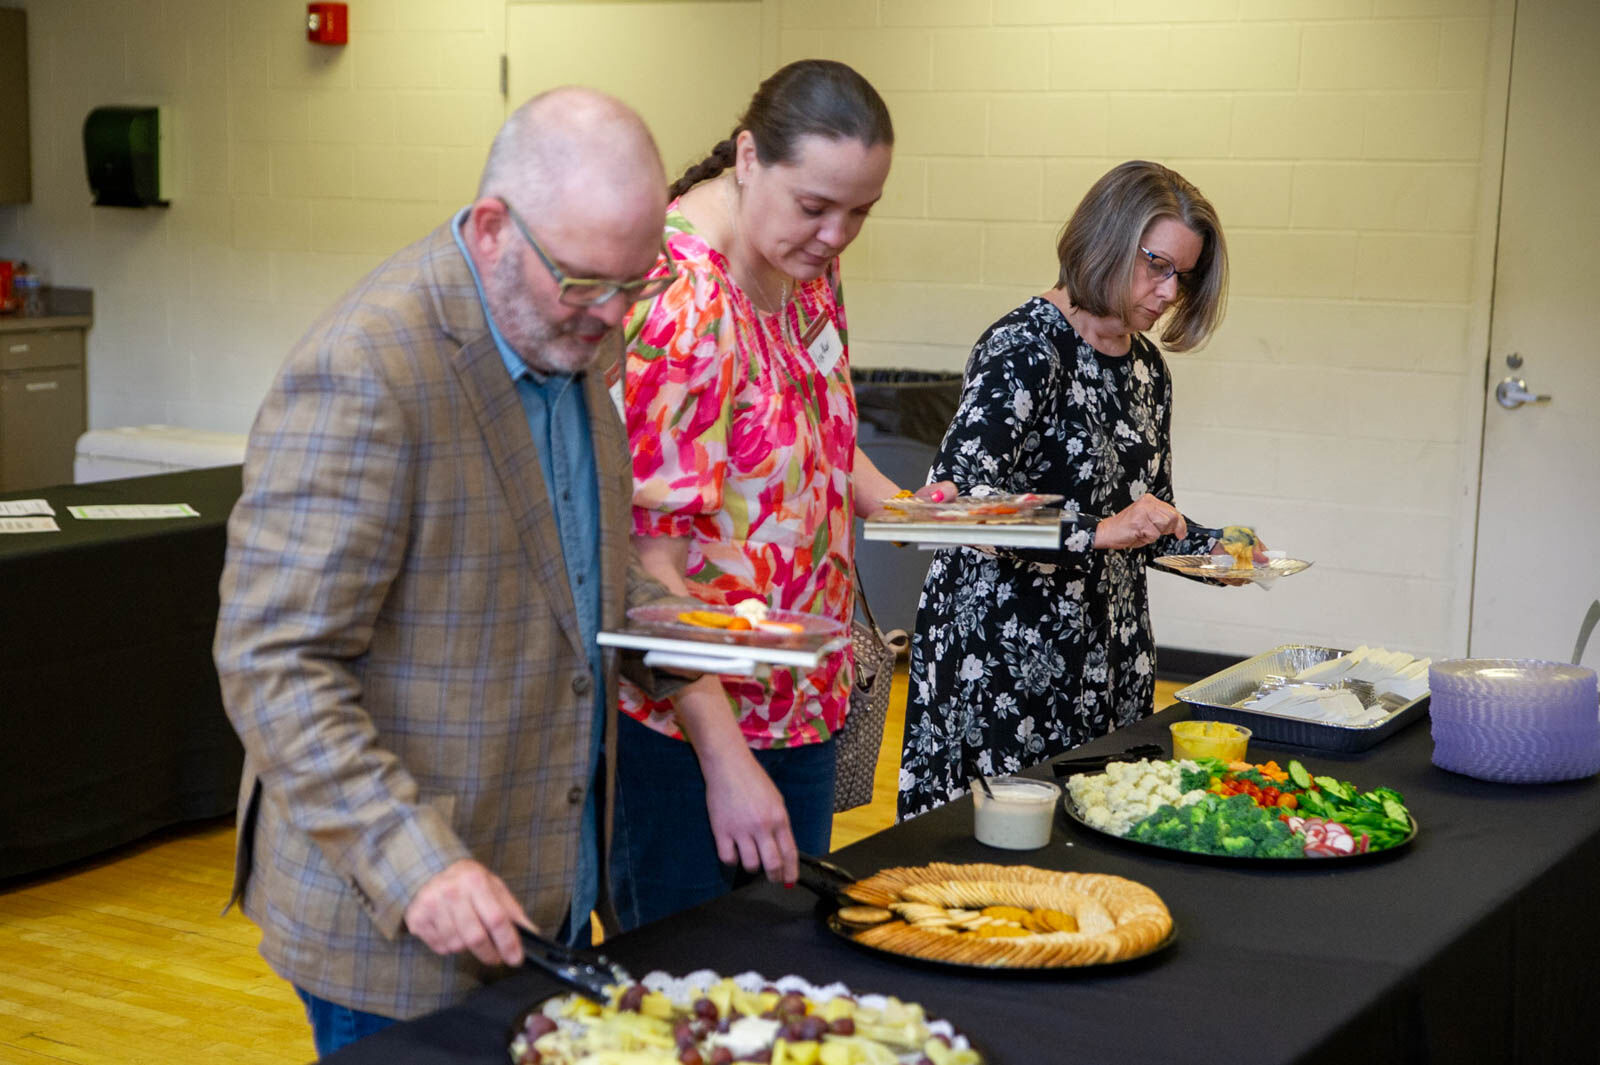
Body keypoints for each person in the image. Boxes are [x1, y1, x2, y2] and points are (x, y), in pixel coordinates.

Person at [213, 88, 687, 1057]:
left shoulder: (569, 326)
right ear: (489, 228)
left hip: (545, 884)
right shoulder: (365, 372)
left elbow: (569, 569)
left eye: (632, 285)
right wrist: (418, 867)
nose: (610, 316)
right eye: (585, 282)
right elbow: (276, 664)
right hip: (397, 924)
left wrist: (694, 630)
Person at [608, 60, 935, 931]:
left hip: (797, 699)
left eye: (861, 210)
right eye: (816, 205)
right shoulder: (679, 301)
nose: (836, 234)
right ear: (748, 157)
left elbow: (819, 435)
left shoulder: (805, 267)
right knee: (688, 991)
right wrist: (725, 762)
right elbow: (649, 571)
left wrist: (906, 508)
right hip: (690, 728)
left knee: (786, 968)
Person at [897, 159, 1262, 821]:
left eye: (1182, 275)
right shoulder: (1025, 348)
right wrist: (1097, 531)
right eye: (1156, 264)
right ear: (1107, 241)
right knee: (994, 867)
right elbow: (953, 507)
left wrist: (1219, 553)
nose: (1167, 291)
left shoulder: (1147, 367)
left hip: (1105, 661)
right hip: (1002, 663)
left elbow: (1145, 518)